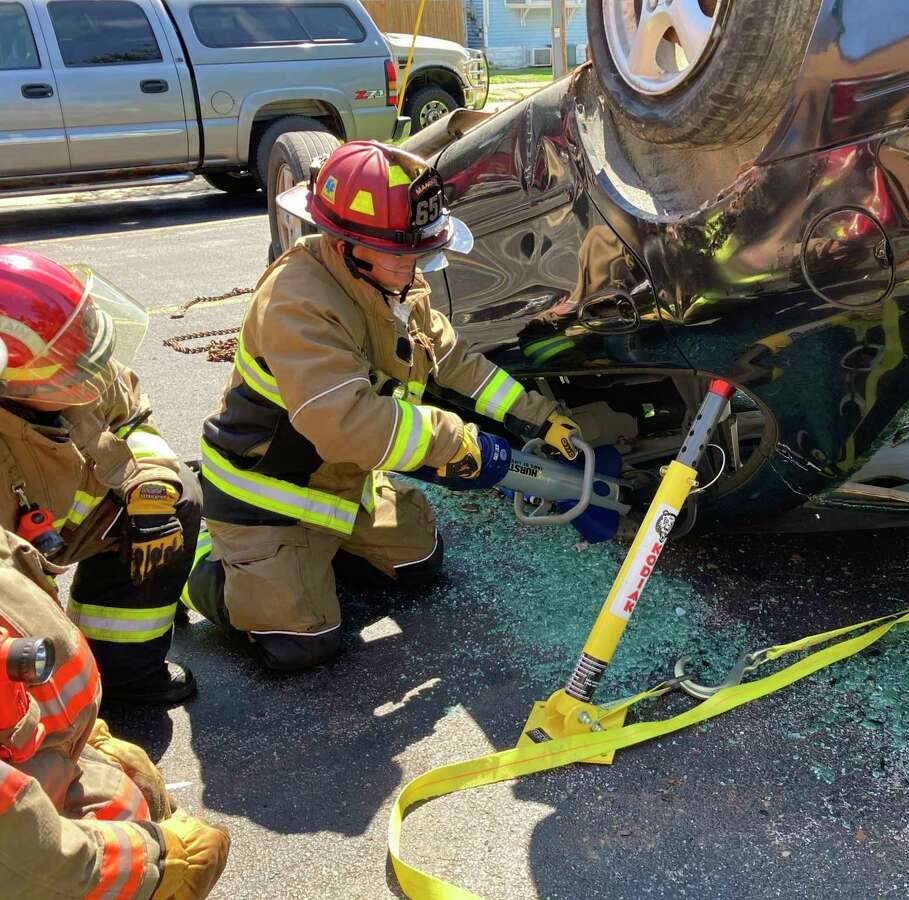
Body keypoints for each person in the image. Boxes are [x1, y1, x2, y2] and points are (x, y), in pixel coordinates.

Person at [187, 140, 581, 671]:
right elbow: (346, 423)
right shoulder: (299, 301)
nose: (419, 263)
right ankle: (205, 564)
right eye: (406, 252)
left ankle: (318, 561)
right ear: (348, 242)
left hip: (342, 482)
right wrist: (457, 441)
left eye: (422, 249)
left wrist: (534, 413)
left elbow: (452, 357)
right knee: (302, 646)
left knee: (422, 562)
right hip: (267, 496)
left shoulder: (392, 283)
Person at [0, 247, 199, 705]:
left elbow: (132, 422)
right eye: (70, 361)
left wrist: (149, 487)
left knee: (180, 494)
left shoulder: (72, 364)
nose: (92, 367)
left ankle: (125, 672)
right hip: (14, 561)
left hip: (61, 520)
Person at [1, 526, 229, 898]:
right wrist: (164, 862)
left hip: (42, 769)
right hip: (26, 845)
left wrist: (88, 740)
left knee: (130, 799)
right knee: (298, 632)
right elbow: (27, 854)